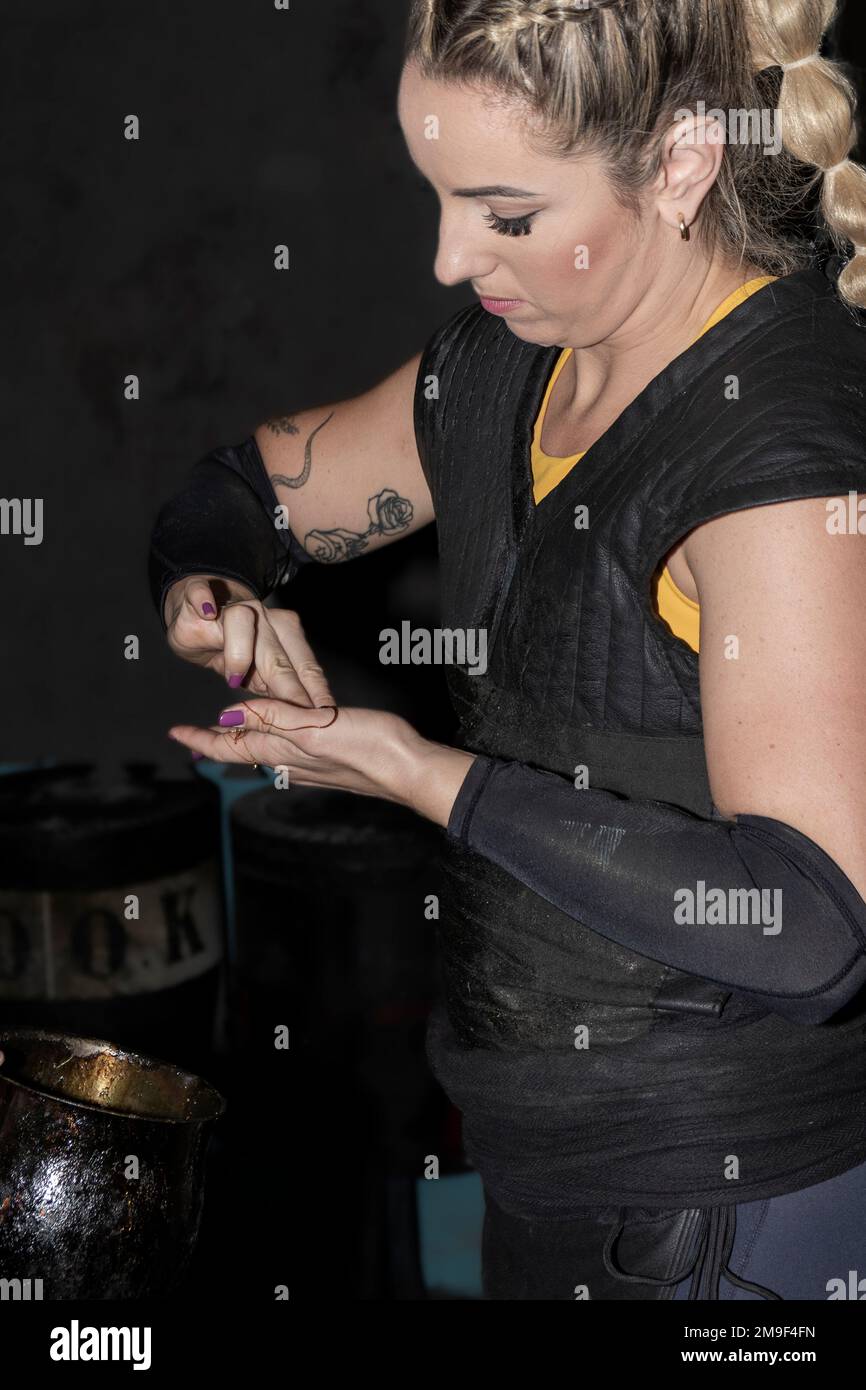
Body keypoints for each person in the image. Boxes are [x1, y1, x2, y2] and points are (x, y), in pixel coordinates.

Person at [149, 0, 866, 1300]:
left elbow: (811, 924)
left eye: (506, 212)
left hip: (727, 1215)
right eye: (435, 193)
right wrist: (210, 590)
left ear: (677, 162)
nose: (445, 255)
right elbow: (246, 491)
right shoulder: (499, 365)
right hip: (549, 1178)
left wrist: (434, 781)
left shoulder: (775, 453)